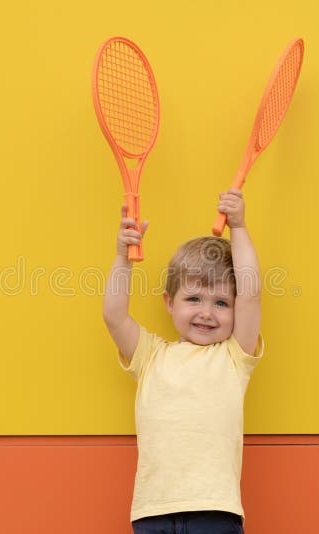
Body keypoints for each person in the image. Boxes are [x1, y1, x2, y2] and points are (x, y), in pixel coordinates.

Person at [103, 188, 264, 534]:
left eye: (221, 303)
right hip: (152, 510)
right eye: (194, 298)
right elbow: (114, 316)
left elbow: (250, 291)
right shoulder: (151, 356)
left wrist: (238, 226)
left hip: (215, 510)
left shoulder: (234, 357)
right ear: (169, 302)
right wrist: (122, 256)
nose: (207, 313)